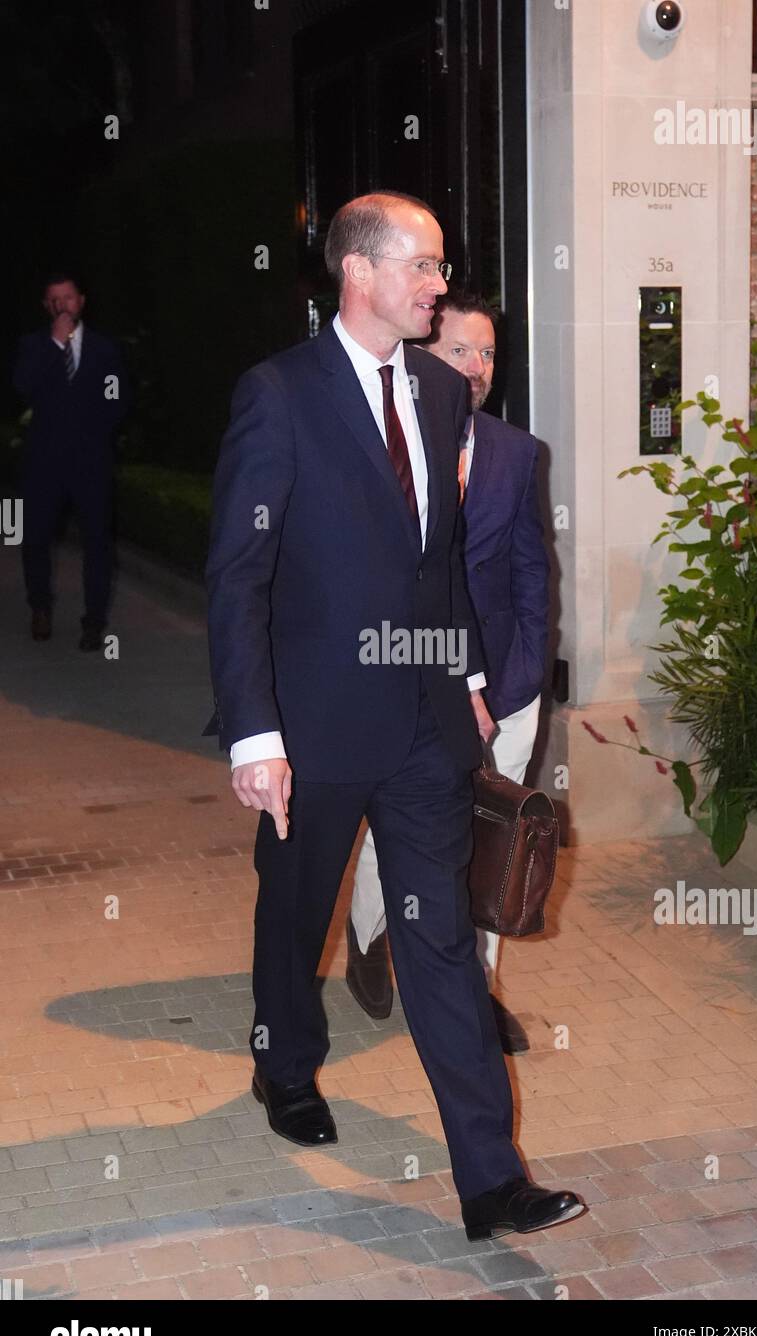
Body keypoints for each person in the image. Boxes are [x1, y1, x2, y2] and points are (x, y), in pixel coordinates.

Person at [204, 191, 584, 1239]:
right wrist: (254, 732)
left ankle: (489, 1176)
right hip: (314, 725)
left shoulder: (439, 388)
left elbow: (439, 570)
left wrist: (460, 670)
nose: (437, 285)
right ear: (359, 274)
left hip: (423, 724)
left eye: (440, 267)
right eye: (421, 267)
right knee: (296, 913)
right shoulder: (277, 395)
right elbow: (239, 574)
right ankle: (282, 1060)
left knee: (442, 943)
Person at [346, 290, 549, 1055]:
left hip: (507, 684)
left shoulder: (516, 452)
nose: (475, 366)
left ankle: (478, 991)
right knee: (395, 828)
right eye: (458, 349)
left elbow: (533, 574)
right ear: (422, 353)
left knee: (495, 833)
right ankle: (369, 934)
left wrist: (518, 681)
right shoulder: (384, 444)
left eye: (487, 352)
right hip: (413, 679)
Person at [12, 273, 130, 649]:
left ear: (81, 301)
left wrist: (98, 424)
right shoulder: (33, 346)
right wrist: (54, 344)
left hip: (90, 462)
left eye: (68, 298)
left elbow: (118, 397)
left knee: (97, 542)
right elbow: (23, 386)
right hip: (43, 463)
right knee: (35, 539)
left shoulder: (104, 349)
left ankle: (94, 621)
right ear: (47, 307)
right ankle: (40, 608)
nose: (63, 305)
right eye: (54, 300)